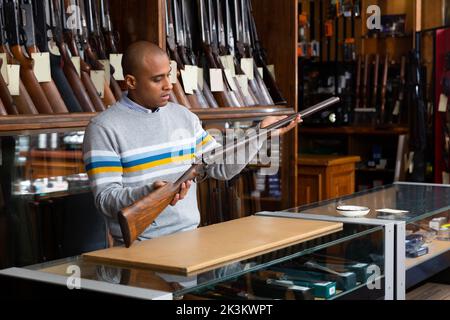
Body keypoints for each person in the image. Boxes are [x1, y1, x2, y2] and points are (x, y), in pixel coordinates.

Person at [83, 41, 300, 244]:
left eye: (169, 75)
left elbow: (221, 167)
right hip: (139, 247)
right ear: (131, 81)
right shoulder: (103, 128)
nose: (168, 85)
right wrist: (150, 191)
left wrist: (260, 133)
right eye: (157, 79)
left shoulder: (184, 117)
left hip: (190, 239)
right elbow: (105, 199)